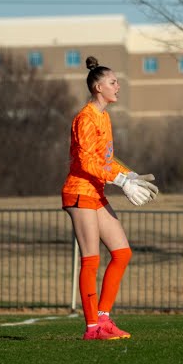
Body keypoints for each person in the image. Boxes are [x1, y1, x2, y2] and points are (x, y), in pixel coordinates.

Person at [61, 56, 159, 340]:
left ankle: (104, 318)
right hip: (79, 192)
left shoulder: (104, 116)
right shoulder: (85, 118)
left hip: (96, 192)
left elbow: (105, 160)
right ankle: (93, 328)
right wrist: (120, 181)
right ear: (97, 87)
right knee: (91, 260)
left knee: (122, 252)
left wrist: (129, 175)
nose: (118, 87)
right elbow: (84, 162)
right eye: (113, 82)